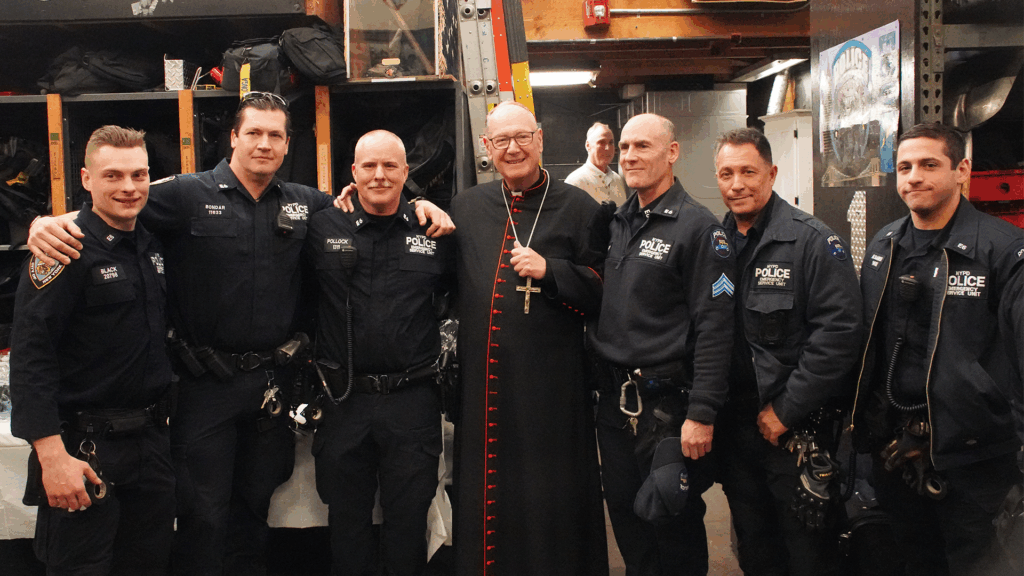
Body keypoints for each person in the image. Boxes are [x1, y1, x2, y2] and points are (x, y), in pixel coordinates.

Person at [26, 93, 454, 576]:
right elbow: (116, 204)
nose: (264, 144)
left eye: (275, 135)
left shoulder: (306, 204)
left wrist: (421, 204)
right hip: (204, 387)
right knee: (203, 516)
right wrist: (46, 222)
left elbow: (374, 197)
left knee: (253, 512)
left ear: (288, 144)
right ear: (233, 137)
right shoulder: (186, 194)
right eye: (254, 133)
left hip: (269, 390)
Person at [852, 122, 1023, 576]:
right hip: (897, 448)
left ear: (962, 169)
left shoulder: (1003, 251)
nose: (914, 178)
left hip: (973, 456)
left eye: (930, 165)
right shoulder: (883, 246)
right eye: (904, 167)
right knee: (912, 559)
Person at [450, 101, 609, 575]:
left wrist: (553, 272)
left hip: (553, 392)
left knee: (550, 507)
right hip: (483, 392)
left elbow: (605, 294)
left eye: (523, 137)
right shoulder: (467, 206)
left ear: (540, 138)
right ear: (487, 147)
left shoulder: (582, 208)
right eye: (502, 140)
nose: (513, 148)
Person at [10, 125, 176, 575]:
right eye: (113, 176)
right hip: (84, 450)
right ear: (86, 179)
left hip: (150, 446)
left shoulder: (151, 242)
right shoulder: (62, 247)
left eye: (138, 175)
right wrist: (51, 456)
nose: (128, 187)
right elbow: (30, 356)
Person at [588, 113, 736, 576]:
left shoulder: (698, 229)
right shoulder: (616, 222)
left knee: (674, 535)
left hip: (669, 415)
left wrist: (702, 414)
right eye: (625, 146)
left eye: (643, 147)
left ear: (671, 153)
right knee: (631, 532)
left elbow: (716, 326)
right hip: (615, 410)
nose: (629, 156)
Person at [711, 127, 863, 576]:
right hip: (737, 430)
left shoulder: (811, 241)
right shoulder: (715, 242)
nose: (736, 184)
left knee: (807, 552)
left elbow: (839, 334)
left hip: (794, 433)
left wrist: (786, 410)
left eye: (748, 172)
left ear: (772, 173)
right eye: (726, 173)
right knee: (756, 547)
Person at [305, 130, 453, 576]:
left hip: (412, 402)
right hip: (344, 400)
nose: (379, 175)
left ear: (406, 173)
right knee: (347, 525)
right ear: (353, 172)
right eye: (368, 166)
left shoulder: (435, 230)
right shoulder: (321, 226)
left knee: (408, 525)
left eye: (390, 166)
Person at [564, 121, 628, 206]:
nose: (607, 148)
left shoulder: (618, 180)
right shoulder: (575, 182)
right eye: (601, 142)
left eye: (611, 143)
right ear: (588, 145)